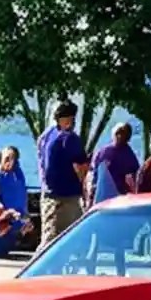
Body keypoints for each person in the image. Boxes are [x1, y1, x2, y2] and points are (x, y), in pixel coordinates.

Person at [37, 101, 90, 250]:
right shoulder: (70, 138)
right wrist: (84, 187)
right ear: (69, 118)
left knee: (50, 236)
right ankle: (33, 272)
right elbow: (80, 167)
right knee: (61, 240)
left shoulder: (46, 136)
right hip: (66, 196)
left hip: (47, 194)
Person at [89, 122, 140, 196]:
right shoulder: (103, 152)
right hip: (101, 192)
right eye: (118, 133)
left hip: (119, 195)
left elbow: (134, 178)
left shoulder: (129, 155)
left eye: (123, 134)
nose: (119, 136)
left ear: (128, 137)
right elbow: (94, 171)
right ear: (113, 134)